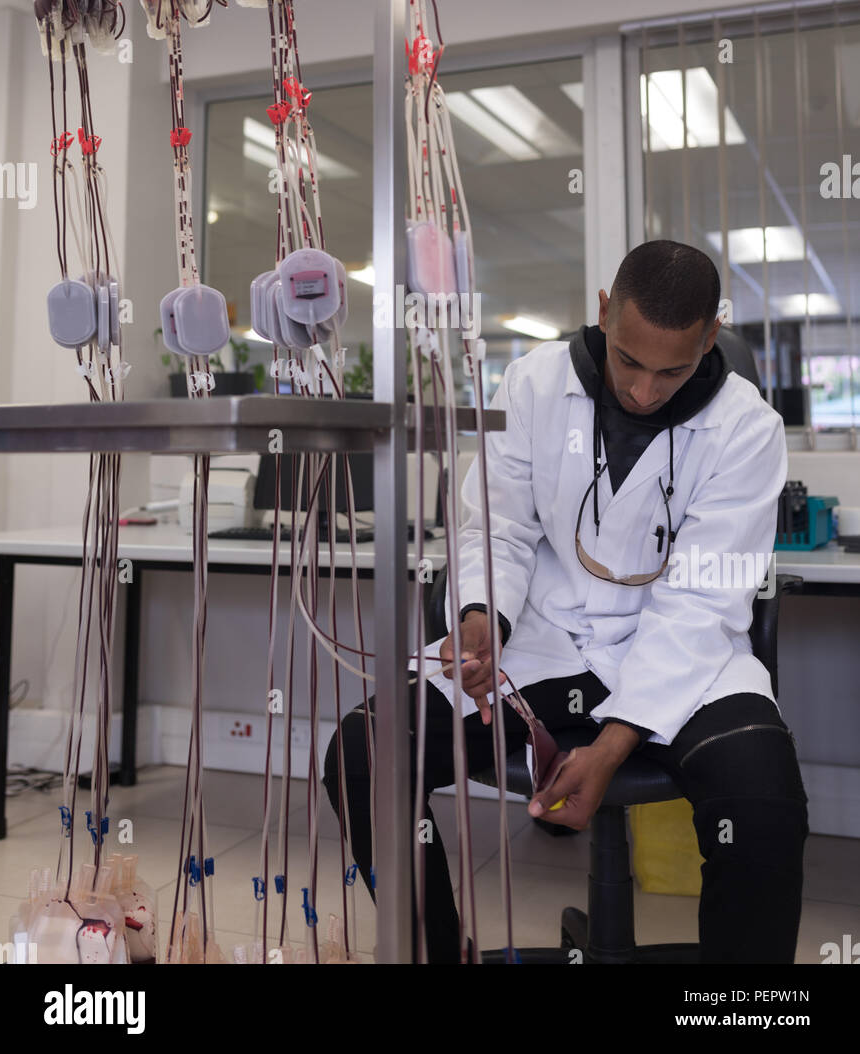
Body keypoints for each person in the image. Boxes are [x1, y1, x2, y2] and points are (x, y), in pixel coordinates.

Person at [323, 240, 809, 963]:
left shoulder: (747, 429)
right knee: (362, 757)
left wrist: (611, 746)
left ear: (710, 337)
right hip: (545, 641)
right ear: (606, 314)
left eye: (671, 370)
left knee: (764, 809)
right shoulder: (533, 385)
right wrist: (482, 617)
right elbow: (498, 528)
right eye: (629, 362)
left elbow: (701, 605)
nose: (645, 391)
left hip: (686, 663)